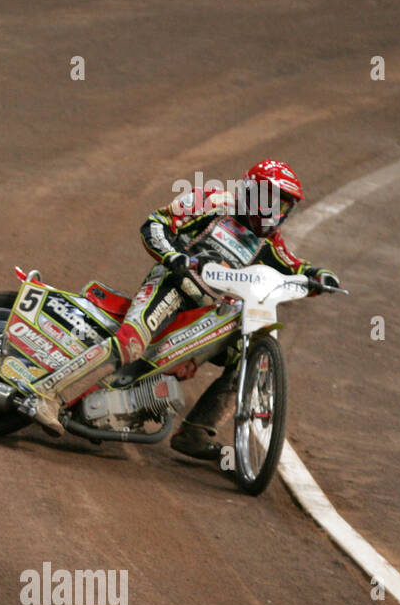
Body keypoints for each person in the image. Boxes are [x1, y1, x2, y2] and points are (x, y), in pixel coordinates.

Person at [22, 159, 340, 451]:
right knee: (132, 343)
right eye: (270, 200)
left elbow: (294, 266)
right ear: (250, 190)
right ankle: (44, 394)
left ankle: (195, 432)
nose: (274, 212)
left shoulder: (271, 242)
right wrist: (172, 256)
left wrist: (318, 276)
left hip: (210, 313)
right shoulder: (214, 201)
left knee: (248, 358)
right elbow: (156, 222)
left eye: (282, 206)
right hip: (173, 285)